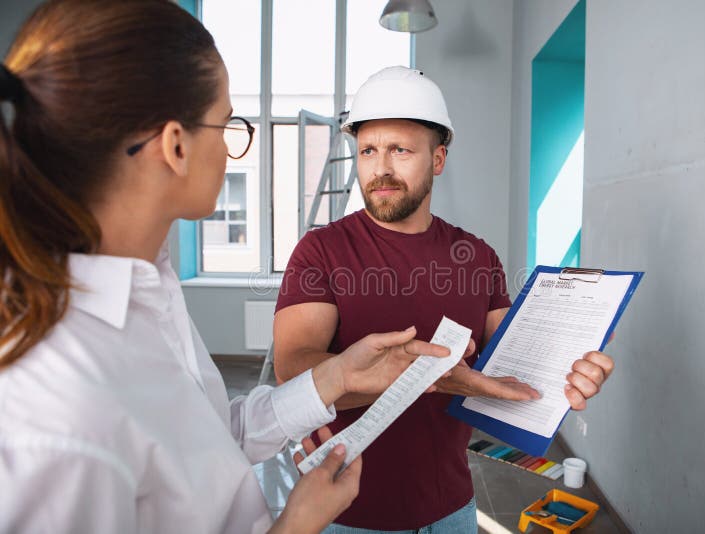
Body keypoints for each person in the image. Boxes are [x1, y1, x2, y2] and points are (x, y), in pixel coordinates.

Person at [0, 3, 459, 533]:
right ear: (176, 146)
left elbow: (209, 437)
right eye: (226, 123)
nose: (230, 146)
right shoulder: (56, 414)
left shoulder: (149, 295)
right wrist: (295, 525)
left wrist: (336, 375)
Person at [273, 66, 615, 533]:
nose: (381, 168)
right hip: (346, 511)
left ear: (437, 160)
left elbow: (515, 362)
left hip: (452, 508)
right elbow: (292, 368)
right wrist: (425, 377)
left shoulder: (477, 256)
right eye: (368, 150)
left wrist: (571, 371)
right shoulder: (321, 251)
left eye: (400, 150)